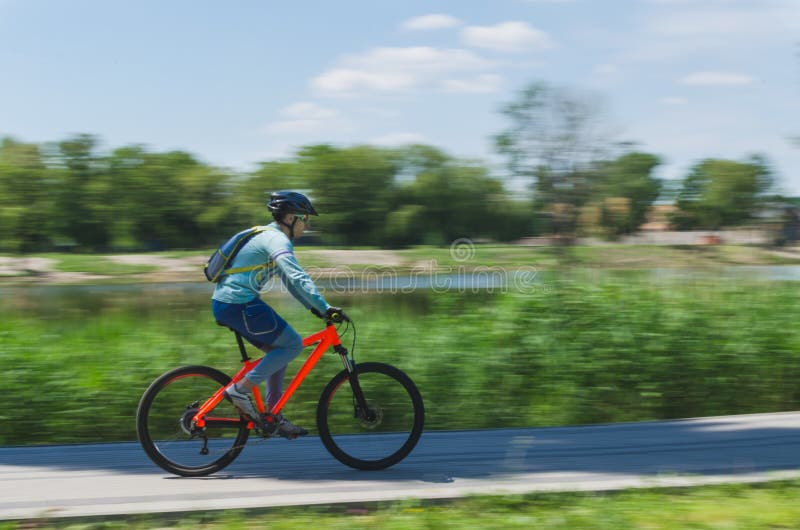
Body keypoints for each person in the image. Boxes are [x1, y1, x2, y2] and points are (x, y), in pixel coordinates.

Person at [211, 190, 344, 438]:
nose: (307, 225)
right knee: (292, 345)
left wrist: (317, 309)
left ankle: (273, 415)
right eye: (306, 219)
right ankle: (240, 390)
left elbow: (291, 283)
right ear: (292, 217)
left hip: (231, 303)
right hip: (239, 304)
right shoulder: (276, 240)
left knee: (278, 352)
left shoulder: (268, 236)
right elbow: (297, 276)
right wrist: (326, 308)